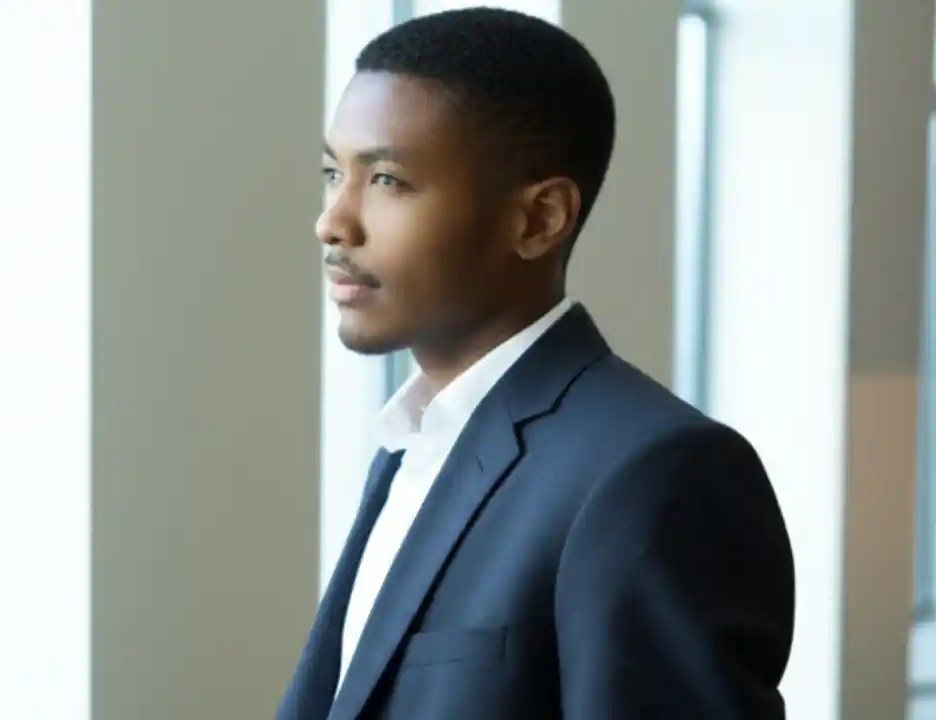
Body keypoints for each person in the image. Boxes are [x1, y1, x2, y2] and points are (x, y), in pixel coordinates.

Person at [277, 8, 794, 719]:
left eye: (389, 180)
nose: (333, 220)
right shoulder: (410, 452)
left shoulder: (655, 474)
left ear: (540, 219)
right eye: (334, 171)